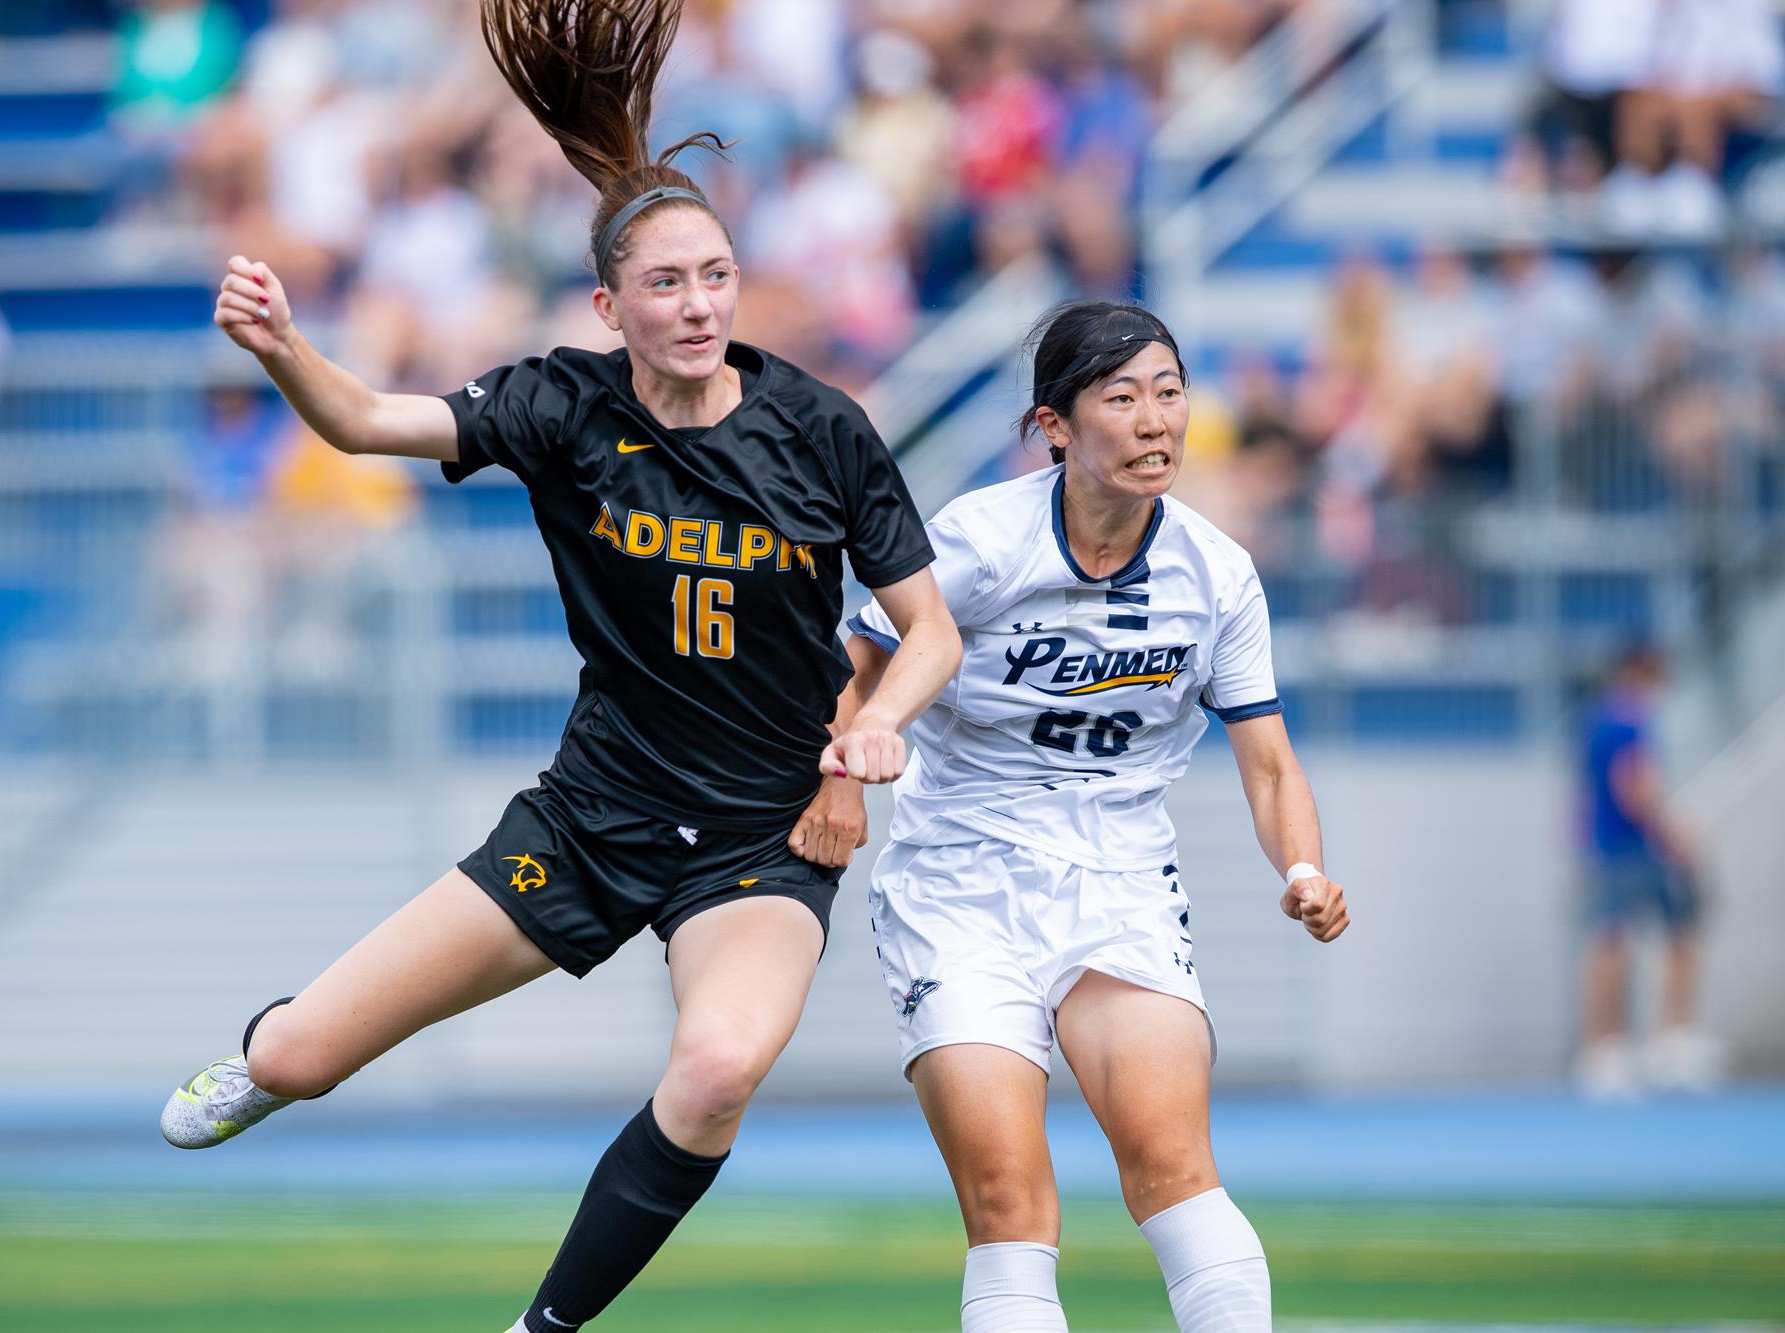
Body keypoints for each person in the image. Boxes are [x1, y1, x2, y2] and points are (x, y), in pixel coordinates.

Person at [156, 4, 962, 1332]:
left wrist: (873, 728)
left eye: (714, 274)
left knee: (713, 1070)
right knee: (300, 1054)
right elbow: (364, 421)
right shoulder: (560, 404)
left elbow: (926, 630)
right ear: (610, 305)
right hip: (593, 818)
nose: (697, 302)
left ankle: (543, 1327)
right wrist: (284, 348)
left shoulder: (822, 429)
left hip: (759, 840)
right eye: (665, 283)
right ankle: (266, 1057)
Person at [794, 302, 1349, 1333]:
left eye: (1170, 393)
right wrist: (839, 773)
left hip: (1120, 880)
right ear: (1052, 424)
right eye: (1121, 397)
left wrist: (1303, 867)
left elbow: (1267, 762)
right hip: (958, 879)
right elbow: (854, 665)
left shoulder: (1215, 572)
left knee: (1173, 1169)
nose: (1154, 422)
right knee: (1008, 1201)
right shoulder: (976, 537)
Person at [1574, 643, 1720, 1098]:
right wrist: (1673, 833)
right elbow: (1633, 787)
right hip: (1634, 847)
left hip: (1608, 845)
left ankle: (1616, 1049)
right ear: (1640, 671)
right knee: (1645, 941)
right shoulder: (1627, 721)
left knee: (1625, 941)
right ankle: (1653, 1044)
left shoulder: (1597, 721)